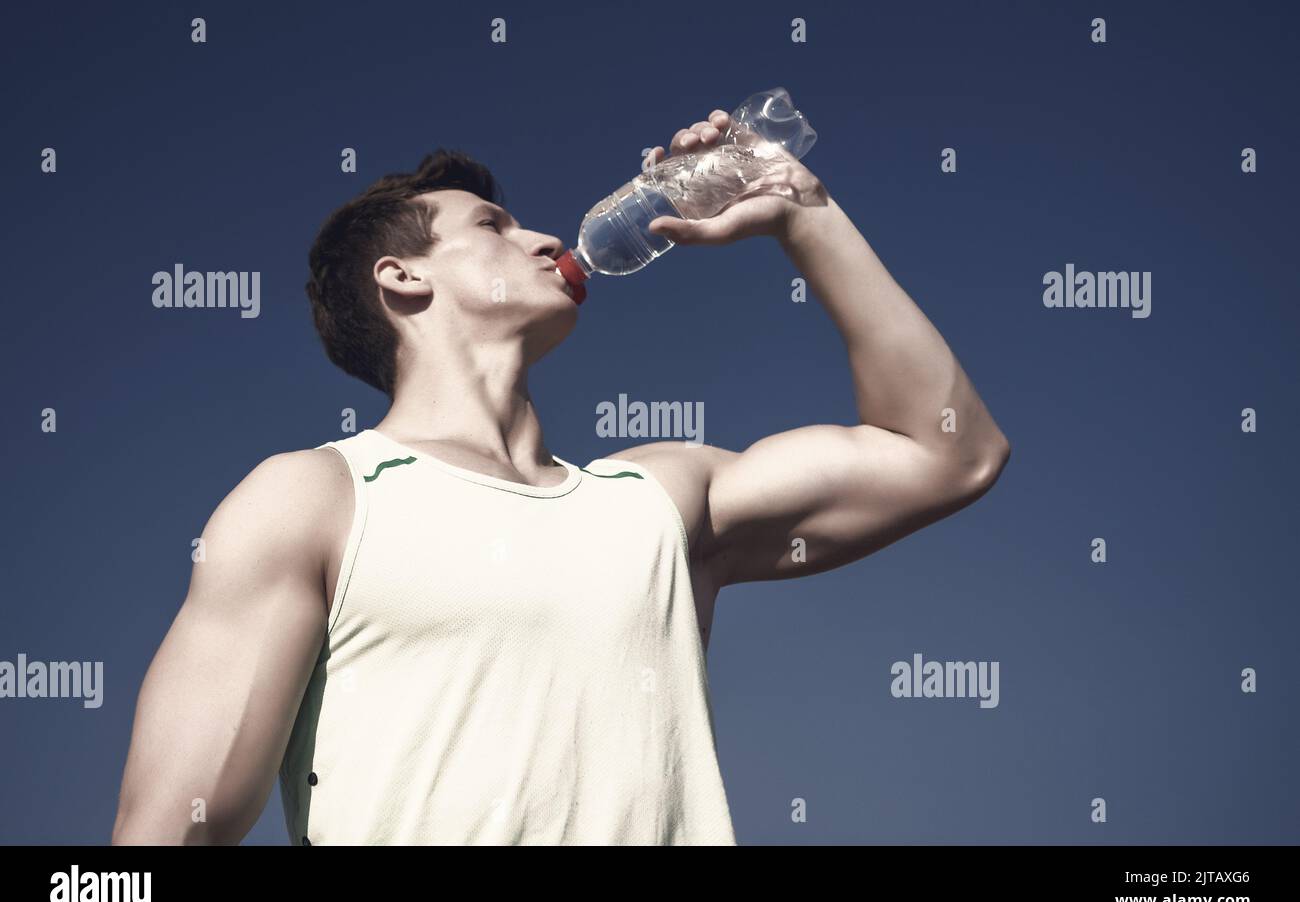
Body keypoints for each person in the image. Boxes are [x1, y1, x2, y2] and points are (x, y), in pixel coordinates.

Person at [111, 108, 1010, 845]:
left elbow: (949, 452)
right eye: (493, 227)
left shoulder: (659, 499)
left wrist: (800, 208)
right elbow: (161, 839)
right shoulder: (317, 497)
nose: (543, 237)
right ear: (401, 279)